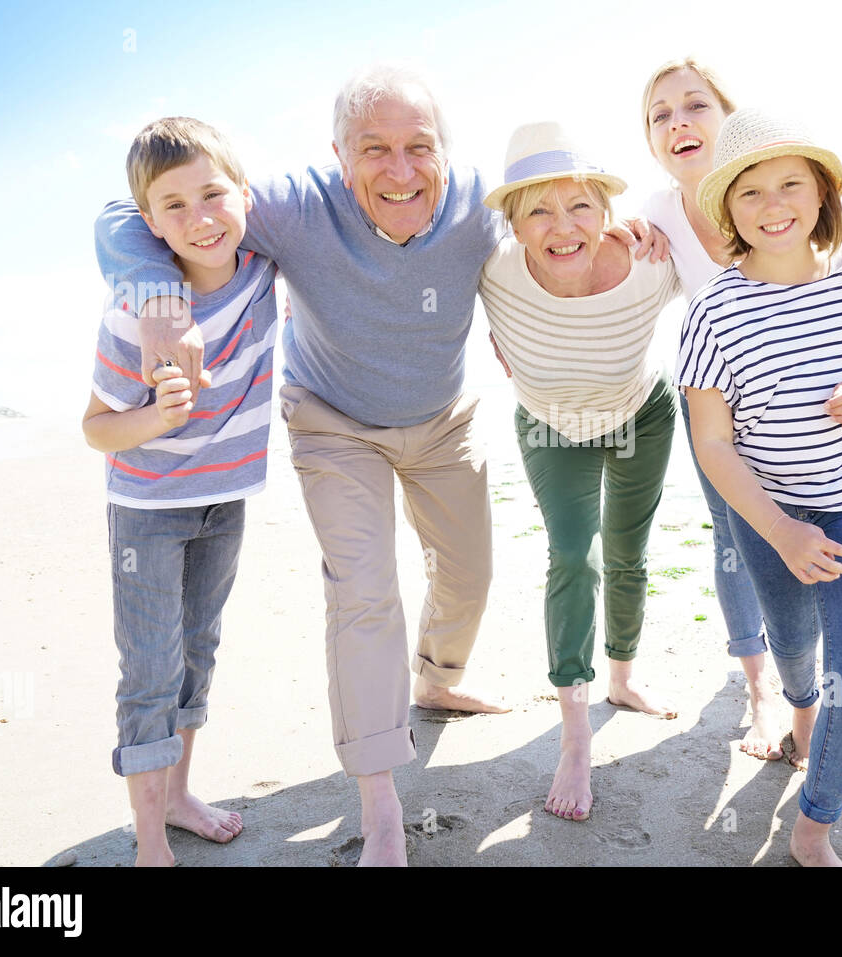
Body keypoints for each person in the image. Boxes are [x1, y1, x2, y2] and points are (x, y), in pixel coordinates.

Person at [95, 65, 663, 866]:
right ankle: (380, 799)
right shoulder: (293, 207)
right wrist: (156, 291)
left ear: (444, 150)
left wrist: (627, 233)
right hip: (334, 423)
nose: (401, 171)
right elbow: (131, 210)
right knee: (365, 592)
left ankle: (436, 677)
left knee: (470, 573)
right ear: (337, 154)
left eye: (417, 147)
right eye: (375, 150)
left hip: (443, 418)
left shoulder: (472, 203)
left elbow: (552, 224)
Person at [679, 109, 842, 866]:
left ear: (820, 194)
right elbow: (712, 442)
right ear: (729, 211)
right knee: (793, 641)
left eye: (790, 184)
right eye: (750, 192)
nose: (772, 204)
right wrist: (780, 529)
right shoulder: (713, 308)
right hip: (765, 511)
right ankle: (800, 708)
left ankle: (814, 824)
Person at [83, 117, 276, 866]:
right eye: (172, 205)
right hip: (146, 513)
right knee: (151, 667)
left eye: (211, 194)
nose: (198, 218)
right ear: (149, 224)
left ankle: (181, 793)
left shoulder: (262, 271)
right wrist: (151, 416)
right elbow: (97, 429)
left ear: (243, 196)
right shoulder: (135, 314)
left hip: (224, 500)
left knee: (199, 649)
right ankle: (150, 837)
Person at [479, 123, 680, 822]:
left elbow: (741, 245)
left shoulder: (655, 260)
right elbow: (401, 261)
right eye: (538, 209)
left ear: (605, 208)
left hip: (641, 417)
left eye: (581, 206)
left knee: (628, 552)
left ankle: (621, 678)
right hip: (550, 425)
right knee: (575, 554)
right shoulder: (491, 267)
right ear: (511, 221)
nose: (563, 228)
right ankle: (574, 734)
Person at [640, 57, 789, 761]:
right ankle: (760, 686)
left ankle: (814, 684)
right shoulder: (656, 216)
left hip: (803, 390)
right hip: (716, 396)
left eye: (694, 105)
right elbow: (596, 276)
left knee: (809, 529)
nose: (679, 123)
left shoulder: (773, 186)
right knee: (734, 536)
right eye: (660, 115)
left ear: (727, 117)